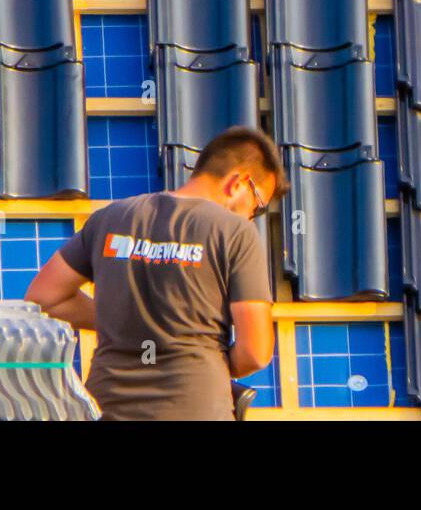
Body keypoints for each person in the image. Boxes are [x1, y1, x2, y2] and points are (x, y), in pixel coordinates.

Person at [24, 126, 285, 422]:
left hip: (106, 406)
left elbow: (45, 297)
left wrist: (127, 322)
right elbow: (255, 352)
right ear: (237, 183)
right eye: (258, 205)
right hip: (194, 408)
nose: (252, 216)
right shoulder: (236, 232)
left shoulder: (110, 218)